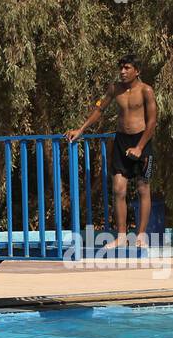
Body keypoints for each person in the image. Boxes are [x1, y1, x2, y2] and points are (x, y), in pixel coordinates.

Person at [66, 53, 158, 249]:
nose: (123, 72)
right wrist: (81, 130)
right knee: (118, 189)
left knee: (143, 188)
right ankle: (122, 235)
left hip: (142, 141)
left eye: (127, 68)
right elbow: (99, 110)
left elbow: (152, 122)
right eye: (121, 68)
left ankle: (141, 235)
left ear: (137, 71)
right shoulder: (115, 89)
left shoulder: (146, 91)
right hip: (122, 141)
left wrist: (140, 147)